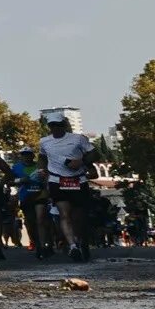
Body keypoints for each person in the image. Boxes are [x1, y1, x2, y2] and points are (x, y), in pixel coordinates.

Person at [38, 110, 99, 261]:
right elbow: (42, 157)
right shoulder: (44, 142)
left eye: (58, 125)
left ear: (64, 125)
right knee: (64, 214)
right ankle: (72, 246)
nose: (55, 128)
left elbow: (94, 153)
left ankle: (79, 241)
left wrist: (83, 162)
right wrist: (41, 170)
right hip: (57, 180)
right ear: (49, 127)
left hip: (78, 180)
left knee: (78, 216)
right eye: (52, 125)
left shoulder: (78, 139)